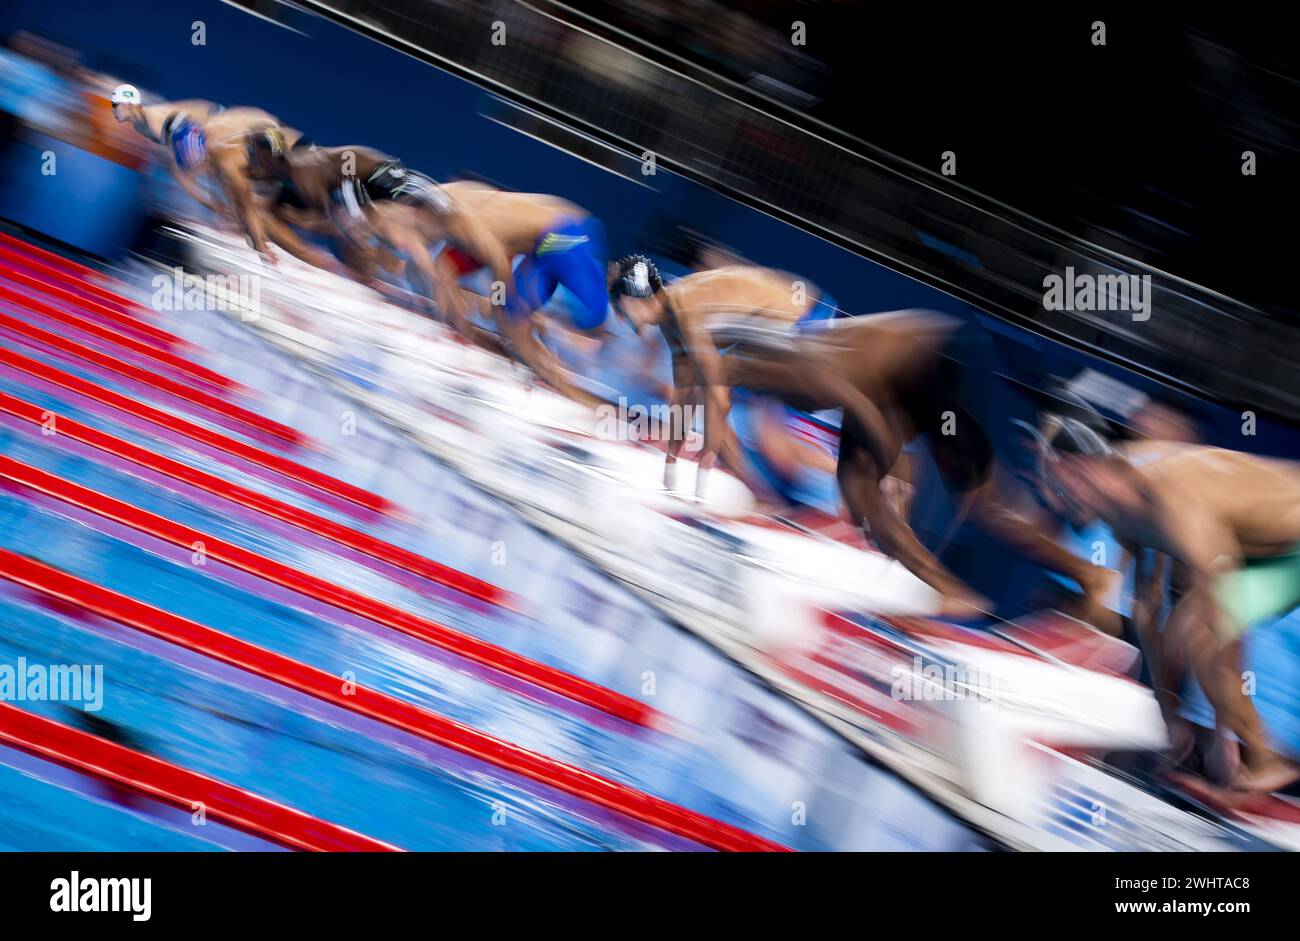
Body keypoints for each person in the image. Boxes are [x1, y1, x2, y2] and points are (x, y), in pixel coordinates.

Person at [610, 254, 1118, 620]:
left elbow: (854, 402)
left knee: (974, 498)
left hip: (935, 359)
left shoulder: (788, 364)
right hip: (883, 372)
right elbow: (695, 406)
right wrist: (683, 470)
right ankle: (941, 589)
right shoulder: (718, 350)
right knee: (859, 496)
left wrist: (892, 465)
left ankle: (1085, 574)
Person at [1039, 421, 1300, 792]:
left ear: (1080, 470)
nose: (1055, 500)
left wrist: (1223, 732)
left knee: (1205, 629)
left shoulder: (1171, 497)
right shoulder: (1120, 506)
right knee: (1183, 630)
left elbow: (1224, 615)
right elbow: (1146, 608)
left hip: (1292, 544)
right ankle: (1232, 755)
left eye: (1059, 488)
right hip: (1259, 550)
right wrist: (1168, 715)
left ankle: (1261, 761)